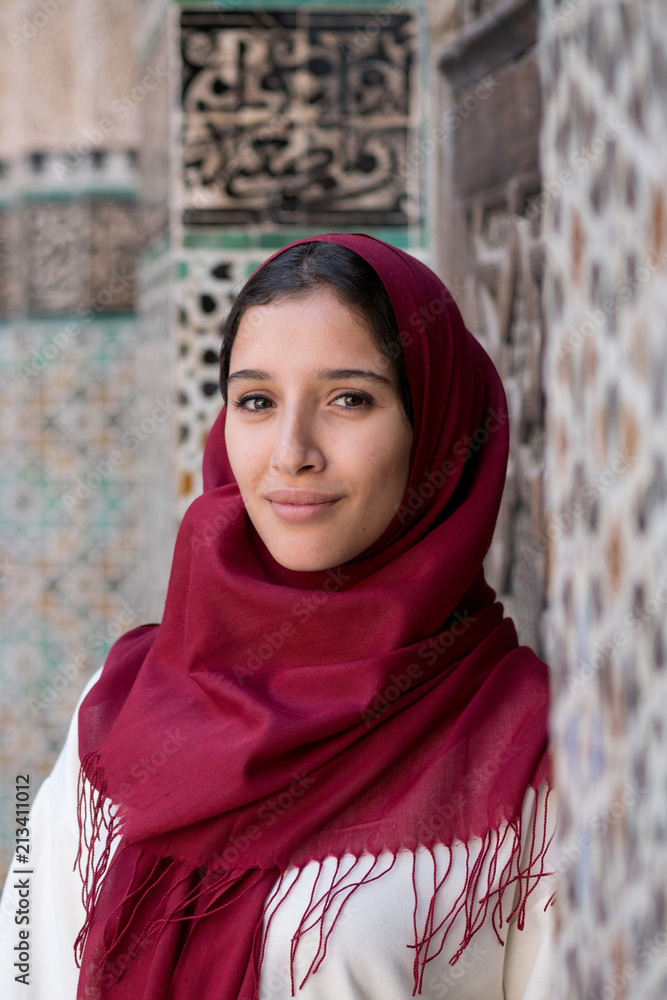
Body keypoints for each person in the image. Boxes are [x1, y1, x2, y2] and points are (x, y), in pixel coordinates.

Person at [0, 234, 556, 999]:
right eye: (256, 400)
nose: (290, 452)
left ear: (436, 433)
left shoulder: (526, 748)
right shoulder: (127, 699)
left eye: (348, 399)